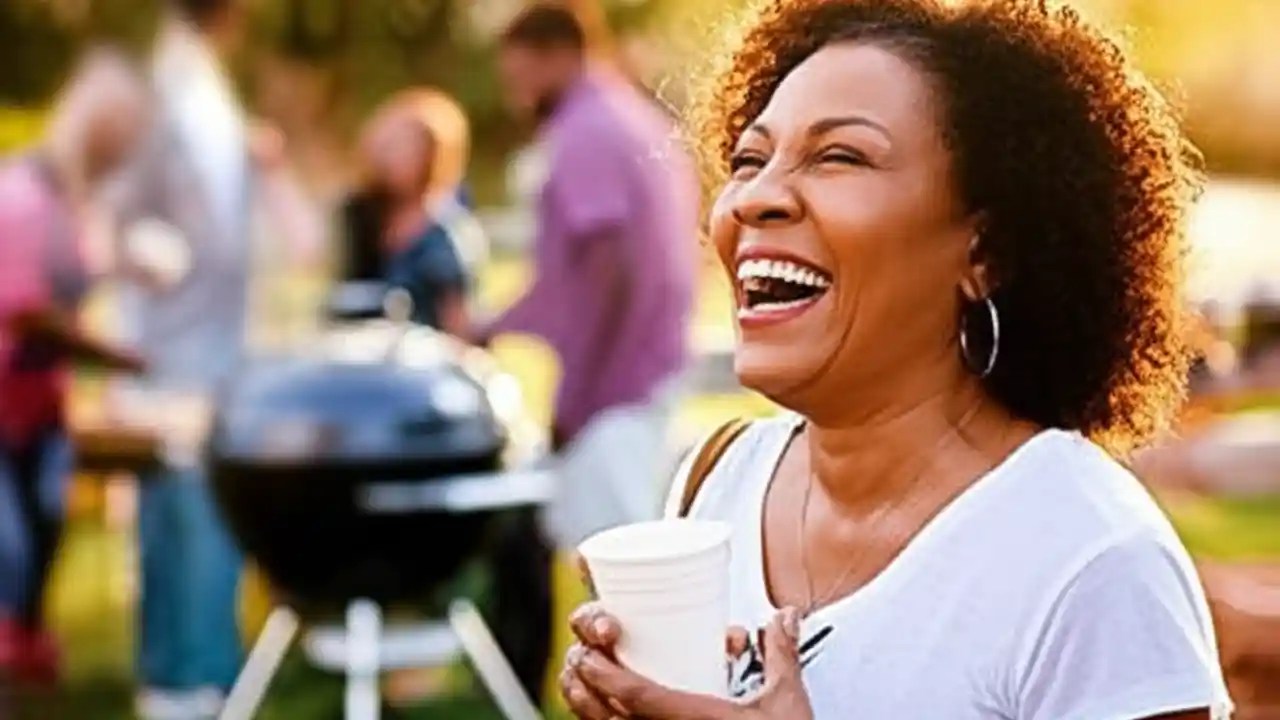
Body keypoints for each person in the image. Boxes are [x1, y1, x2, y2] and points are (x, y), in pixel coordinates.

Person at [559, 0, 1232, 718]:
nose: (755, 198)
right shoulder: (713, 482)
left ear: (987, 250)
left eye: (840, 156)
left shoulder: (1090, 559)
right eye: (750, 159)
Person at [482, 3, 699, 704]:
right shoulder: (630, 118)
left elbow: (609, 272)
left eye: (520, 73)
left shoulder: (584, 133)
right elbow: (573, 278)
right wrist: (494, 324)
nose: (517, 91)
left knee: (626, 598)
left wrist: (578, 401)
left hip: (614, 386)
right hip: (649, 369)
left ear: (553, 54)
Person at [111, 0, 322, 716]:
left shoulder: (196, 93)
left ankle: (186, 675)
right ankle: (185, 679)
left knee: (189, 517)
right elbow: (131, 224)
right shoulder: (171, 96)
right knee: (186, 519)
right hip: (175, 356)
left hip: (205, 353)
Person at [0, 48, 151, 686]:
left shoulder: (77, 200)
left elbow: (80, 287)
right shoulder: (21, 193)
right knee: (5, 555)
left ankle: (26, 661)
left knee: (41, 541)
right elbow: (23, 311)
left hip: (43, 408)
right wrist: (116, 358)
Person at [338, 88, 484, 334]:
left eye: (405, 146)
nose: (390, 156)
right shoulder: (362, 217)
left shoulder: (444, 235)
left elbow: (460, 325)